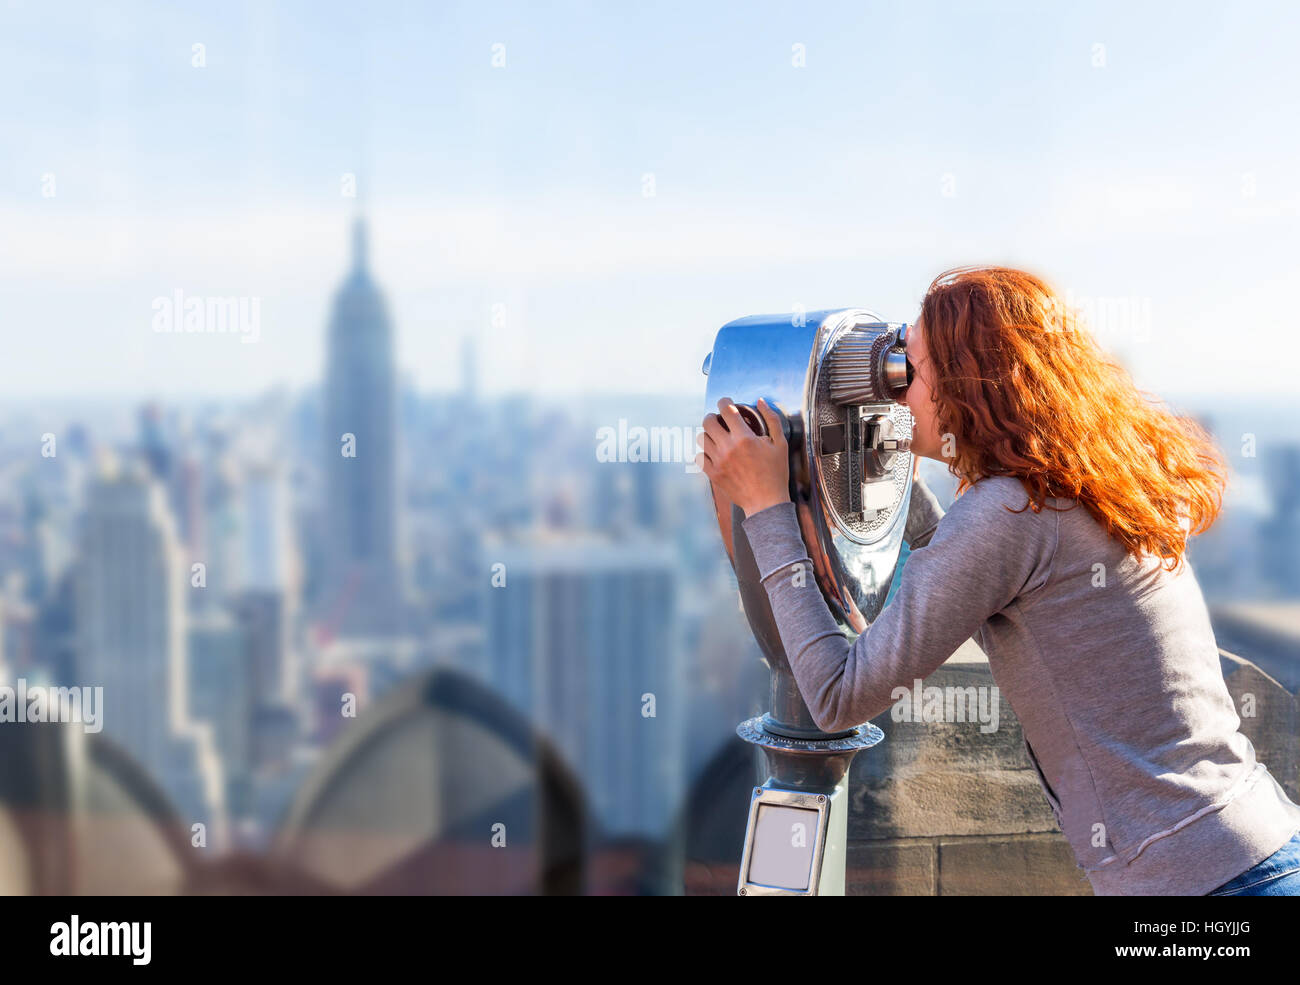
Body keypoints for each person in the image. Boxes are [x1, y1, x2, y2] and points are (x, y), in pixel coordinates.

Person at [695, 265, 1300, 896]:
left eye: (914, 368)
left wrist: (766, 508)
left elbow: (838, 696)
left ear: (968, 384)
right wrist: (879, 459)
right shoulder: (1069, 484)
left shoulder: (1008, 514)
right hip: (1254, 847)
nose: (897, 393)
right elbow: (959, 567)